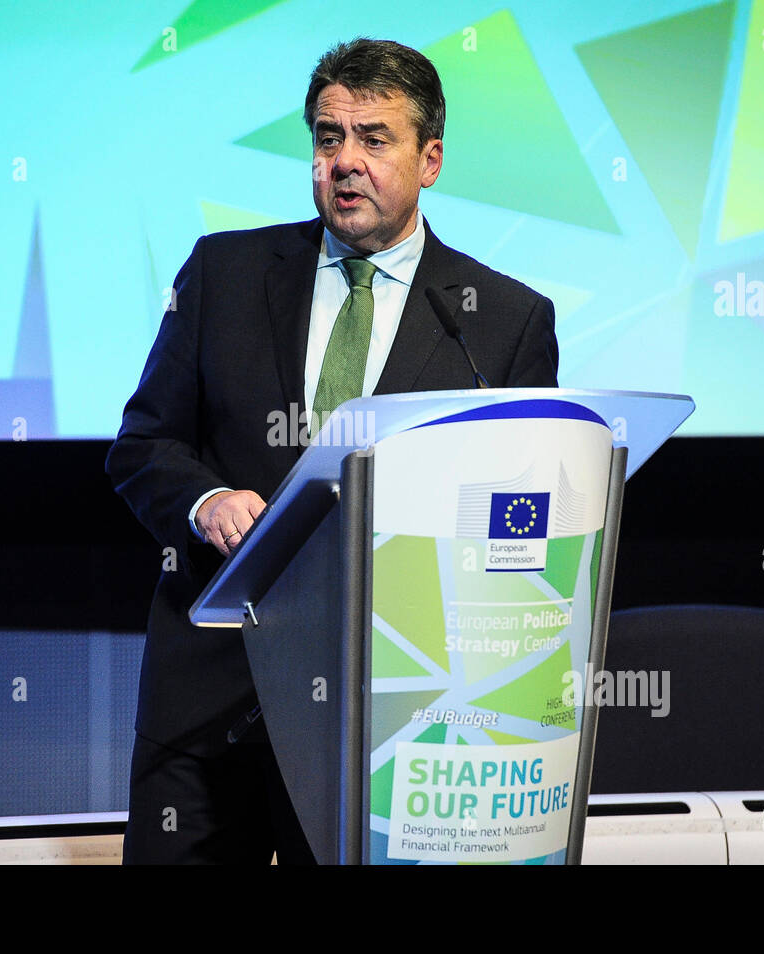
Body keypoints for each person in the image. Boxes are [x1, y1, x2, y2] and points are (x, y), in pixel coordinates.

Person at [106, 37, 558, 864]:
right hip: (209, 701)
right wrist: (206, 502)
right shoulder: (222, 274)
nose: (344, 162)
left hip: (392, 718)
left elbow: (516, 519)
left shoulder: (500, 320)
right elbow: (143, 445)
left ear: (430, 160)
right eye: (326, 138)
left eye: (373, 139)